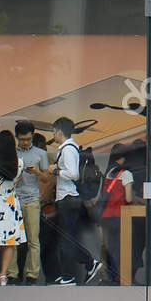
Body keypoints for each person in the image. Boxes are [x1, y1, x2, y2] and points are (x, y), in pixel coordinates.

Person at [53, 117, 102, 287]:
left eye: (54, 132)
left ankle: (82, 268)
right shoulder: (71, 148)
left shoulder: (67, 150)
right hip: (69, 199)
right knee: (67, 238)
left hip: (68, 198)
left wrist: (57, 172)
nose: (54, 135)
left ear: (59, 132)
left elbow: (73, 174)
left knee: (67, 239)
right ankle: (71, 272)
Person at [13, 120, 48, 285]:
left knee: (33, 239)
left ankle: (32, 275)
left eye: (27, 139)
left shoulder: (41, 153)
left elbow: (47, 179)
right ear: (17, 138)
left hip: (33, 199)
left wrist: (37, 172)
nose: (25, 142)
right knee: (13, 239)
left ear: (32, 136)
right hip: (15, 199)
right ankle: (12, 273)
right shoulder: (12, 153)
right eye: (22, 139)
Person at [98, 147, 135, 283]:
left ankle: (109, 275)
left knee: (108, 247)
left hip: (106, 216)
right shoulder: (126, 174)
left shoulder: (109, 173)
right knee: (120, 247)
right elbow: (129, 198)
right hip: (119, 215)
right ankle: (119, 276)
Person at [0, 128, 25, 284]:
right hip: (10, 206)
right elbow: (17, 180)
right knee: (9, 242)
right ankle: (3, 275)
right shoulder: (19, 163)